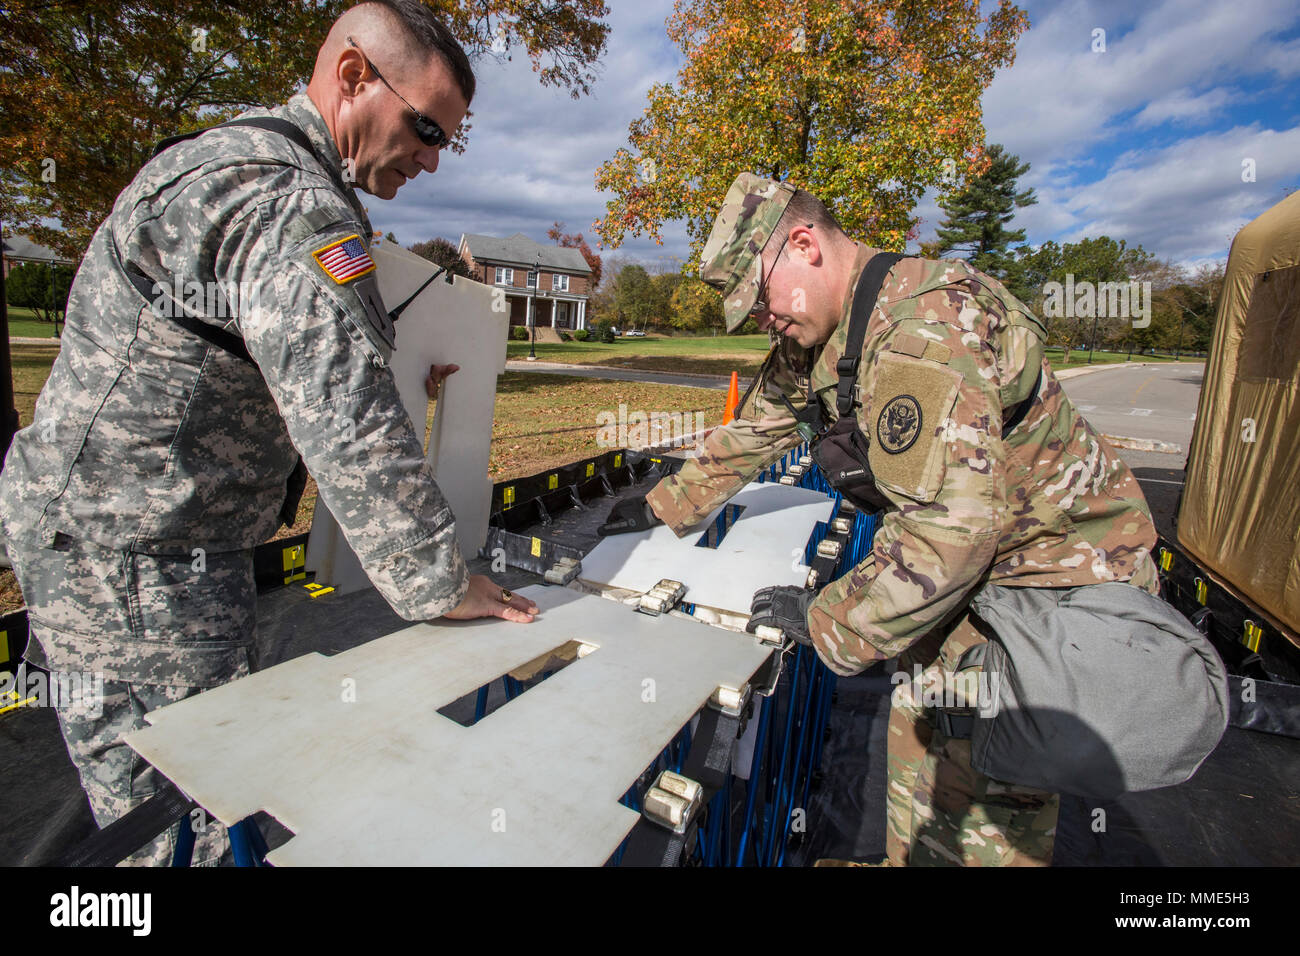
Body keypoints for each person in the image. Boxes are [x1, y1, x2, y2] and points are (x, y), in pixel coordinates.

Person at [0, 0, 536, 866]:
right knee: (192, 823)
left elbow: (281, 360)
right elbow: (344, 411)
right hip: (137, 561)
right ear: (354, 75)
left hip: (141, 541)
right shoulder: (291, 202)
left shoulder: (244, 165)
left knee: (206, 787)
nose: (433, 159)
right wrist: (443, 580)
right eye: (426, 126)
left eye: (448, 143)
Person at [600, 173, 1162, 866]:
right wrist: (661, 507)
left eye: (762, 302)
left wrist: (826, 618)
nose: (762, 322)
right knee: (922, 750)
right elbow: (757, 429)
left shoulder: (919, 334)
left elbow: (955, 532)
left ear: (804, 244)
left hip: (1047, 586)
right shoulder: (829, 332)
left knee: (981, 811)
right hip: (970, 578)